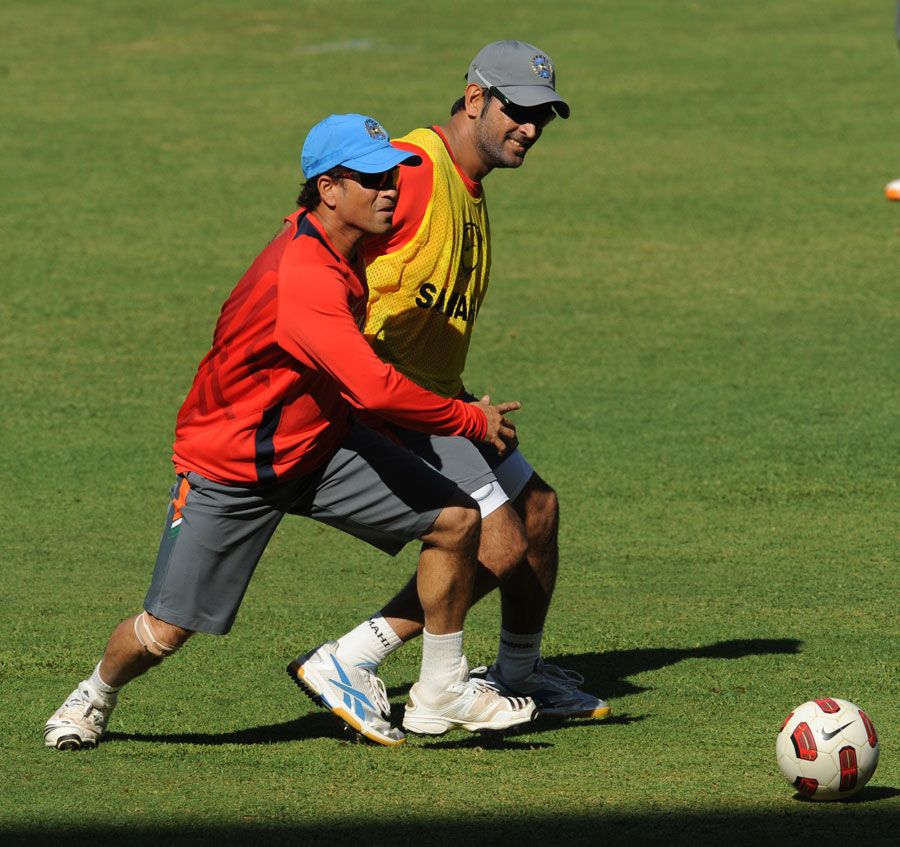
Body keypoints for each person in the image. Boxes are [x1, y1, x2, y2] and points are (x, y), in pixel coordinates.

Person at [43, 113, 537, 751]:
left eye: (393, 175)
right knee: (165, 632)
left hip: (320, 449)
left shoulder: (344, 247)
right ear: (328, 189)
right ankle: (94, 695)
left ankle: (440, 688)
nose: (391, 189)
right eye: (373, 179)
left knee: (457, 521)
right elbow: (375, 387)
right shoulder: (302, 275)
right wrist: (470, 419)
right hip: (234, 470)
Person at [289, 42, 609, 744]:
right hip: (390, 398)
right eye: (518, 110)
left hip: (442, 396)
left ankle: (518, 674)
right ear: (474, 100)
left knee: (539, 512)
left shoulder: (469, 185)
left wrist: (472, 410)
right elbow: (317, 245)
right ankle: (354, 656)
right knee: (496, 542)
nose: (530, 127)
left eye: (542, 118)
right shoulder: (413, 170)